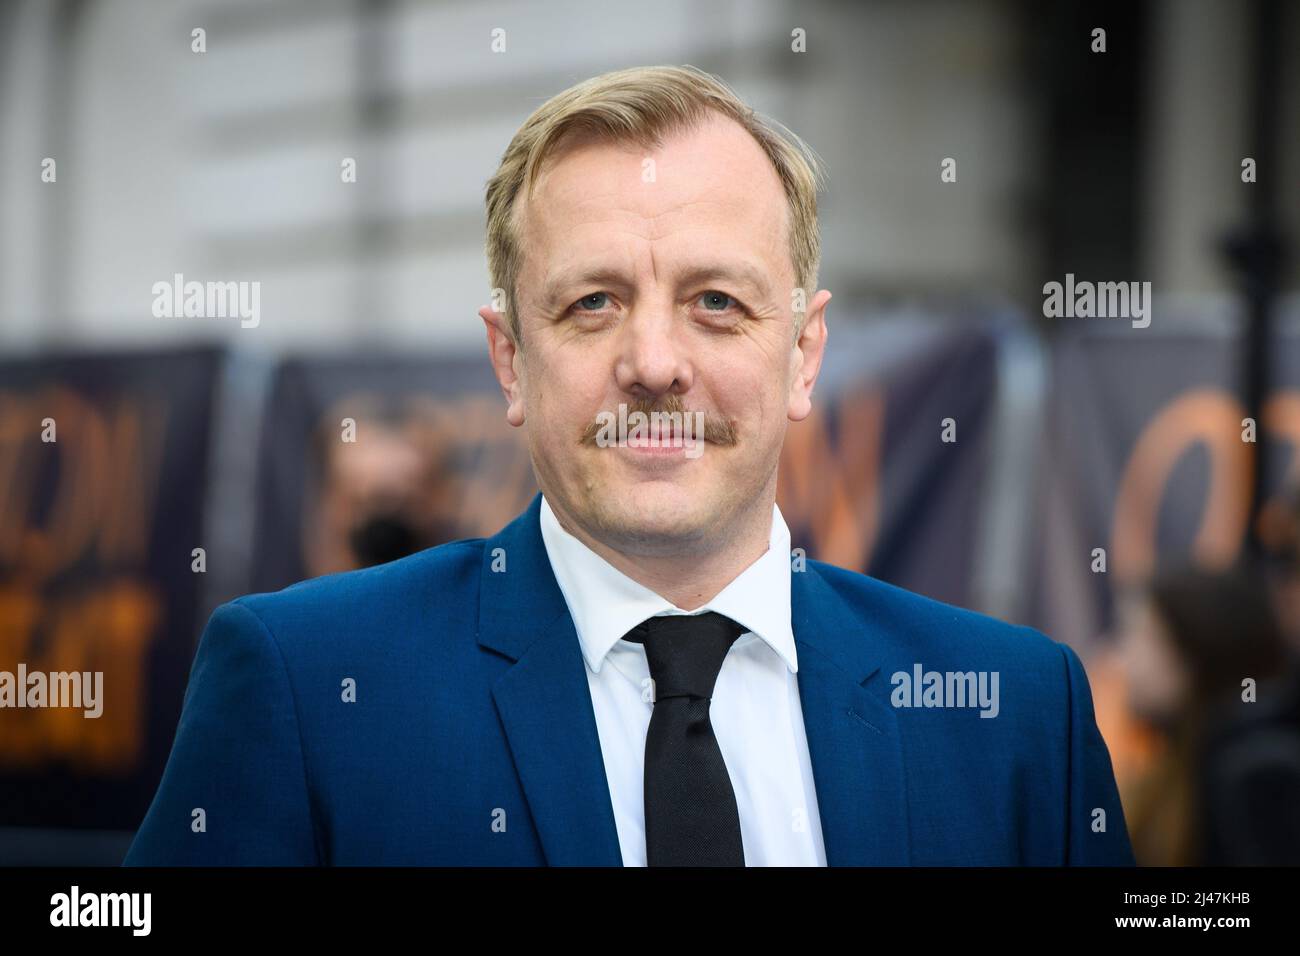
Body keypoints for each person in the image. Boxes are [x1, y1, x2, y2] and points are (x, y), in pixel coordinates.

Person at [123, 64, 1132, 866]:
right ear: (510, 357)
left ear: (804, 353)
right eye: (592, 301)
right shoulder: (307, 687)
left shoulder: (1014, 714)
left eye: (717, 302)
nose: (653, 363)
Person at [1115, 561, 1300, 865]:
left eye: (1143, 636)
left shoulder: (1251, 774)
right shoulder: (1176, 767)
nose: (1123, 659)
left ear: (1193, 655)